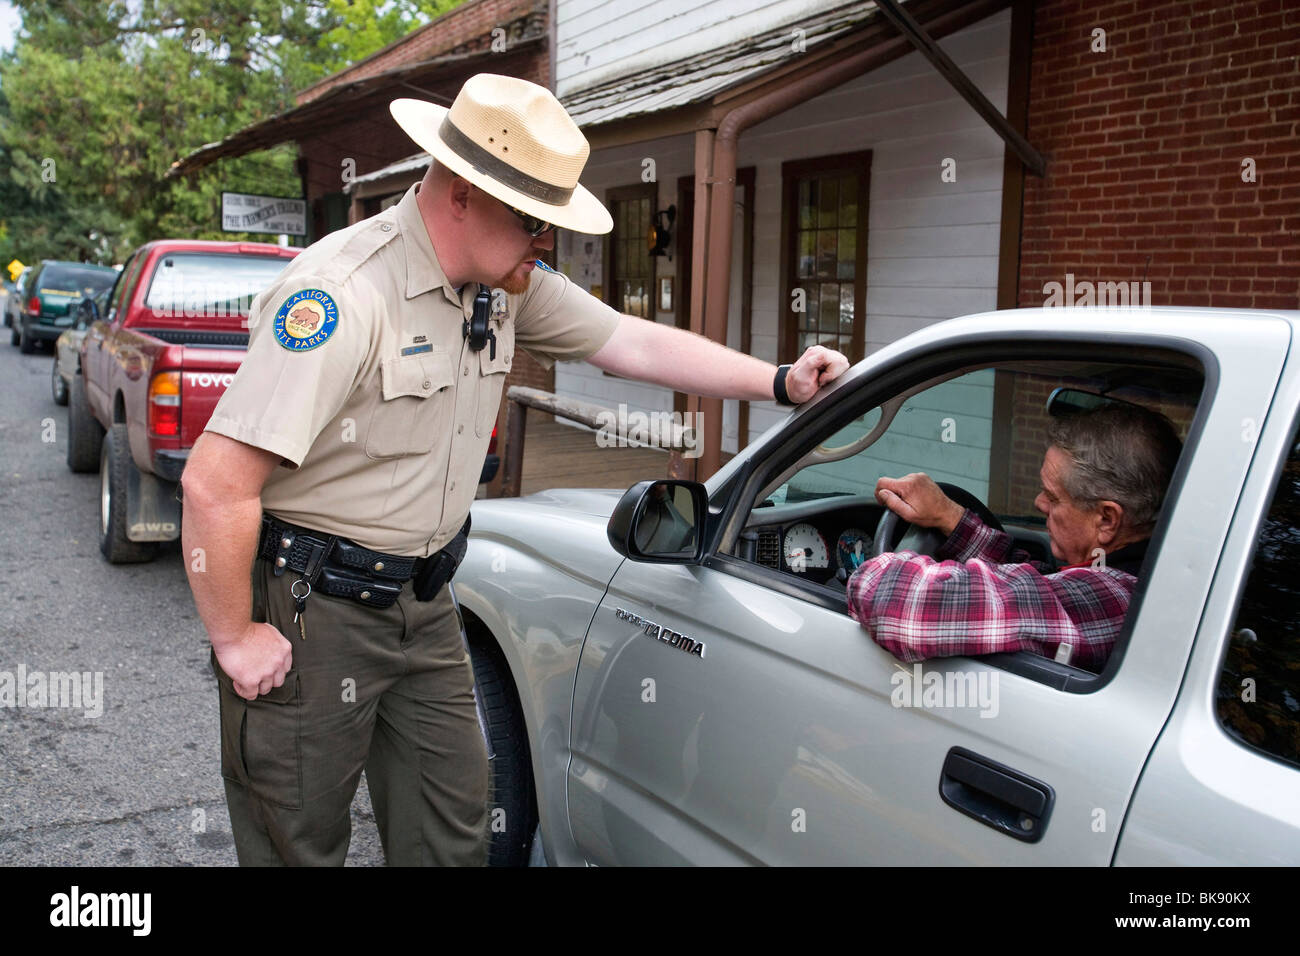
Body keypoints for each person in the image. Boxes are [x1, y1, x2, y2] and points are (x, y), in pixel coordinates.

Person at [180, 72, 848, 866]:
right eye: (534, 218)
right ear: (463, 192)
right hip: (314, 609)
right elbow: (216, 484)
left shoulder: (507, 287)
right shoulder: (344, 295)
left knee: (455, 832)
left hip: (424, 605)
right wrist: (234, 636)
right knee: (297, 843)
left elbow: (628, 342)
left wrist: (778, 381)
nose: (545, 241)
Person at [847, 403, 1182, 670]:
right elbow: (1039, 582)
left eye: (1053, 497)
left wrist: (867, 564)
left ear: (1107, 519)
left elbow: (905, 607)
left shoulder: (1114, 599)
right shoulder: (1144, 573)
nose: (1038, 503)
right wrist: (949, 515)